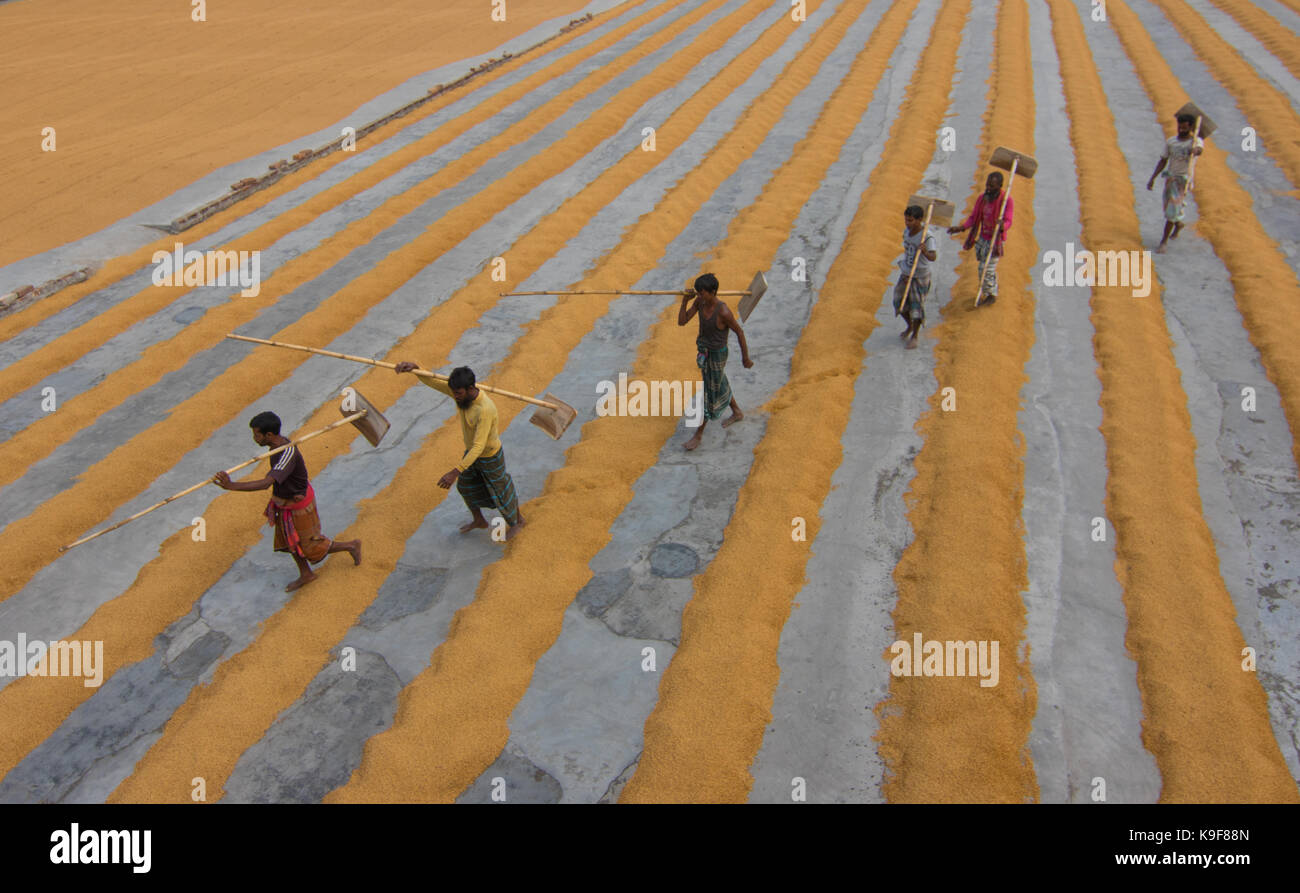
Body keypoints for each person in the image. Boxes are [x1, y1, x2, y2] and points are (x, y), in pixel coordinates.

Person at [213, 411, 361, 592]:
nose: (254, 438)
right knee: (291, 541)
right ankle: (306, 574)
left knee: (311, 545)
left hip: (299, 505)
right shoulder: (276, 447)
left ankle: (351, 545)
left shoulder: (286, 453)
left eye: (256, 434)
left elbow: (266, 483)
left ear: (269, 435)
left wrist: (231, 485)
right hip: (285, 503)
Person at [393, 362, 526, 540]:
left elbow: (479, 446)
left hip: (489, 455)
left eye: (458, 393)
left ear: (470, 388)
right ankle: (479, 520)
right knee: (465, 486)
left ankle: (518, 521)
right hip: (471, 454)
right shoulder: (460, 395)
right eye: (454, 392)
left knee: (500, 490)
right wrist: (416, 368)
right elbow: (433, 382)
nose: (455, 396)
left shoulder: (485, 409)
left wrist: (454, 472)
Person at [677, 272, 753, 451]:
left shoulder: (723, 311)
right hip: (704, 352)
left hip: (717, 355)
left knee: (710, 394)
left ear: (712, 292)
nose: (699, 295)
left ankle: (698, 435)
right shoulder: (699, 302)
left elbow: (739, 332)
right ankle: (737, 411)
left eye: (701, 292)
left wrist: (745, 358)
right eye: (697, 292)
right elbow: (682, 321)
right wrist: (684, 301)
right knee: (719, 382)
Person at [949, 171, 1013, 304]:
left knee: (986, 268)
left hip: (996, 240)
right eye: (987, 185)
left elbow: (1008, 220)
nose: (988, 189)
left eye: (992, 186)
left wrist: (1002, 225)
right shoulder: (982, 199)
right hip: (983, 238)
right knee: (985, 267)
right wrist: (961, 228)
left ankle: (991, 295)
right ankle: (988, 290)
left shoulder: (1006, 200)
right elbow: (973, 218)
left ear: (1000, 186)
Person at [1146, 112, 1204, 253]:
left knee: (1172, 209)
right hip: (1170, 178)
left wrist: (1194, 150)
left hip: (1183, 181)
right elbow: (1163, 160)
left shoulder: (1195, 142)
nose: (1181, 130)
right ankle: (1178, 224)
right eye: (1180, 127)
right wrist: (1153, 177)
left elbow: (1199, 151)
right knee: (1169, 209)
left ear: (1191, 128)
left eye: (1185, 128)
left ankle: (1163, 242)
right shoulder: (1171, 142)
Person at [895, 205, 938, 349]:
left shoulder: (927, 237)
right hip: (907, 272)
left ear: (919, 220)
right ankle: (910, 326)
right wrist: (906, 273)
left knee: (916, 307)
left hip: (920, 276)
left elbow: (933, 257)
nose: (908, 223)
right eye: (906, 220)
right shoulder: (906, 232)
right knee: (898, 302)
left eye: (911, 221)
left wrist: (925, 251)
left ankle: (915, 335)